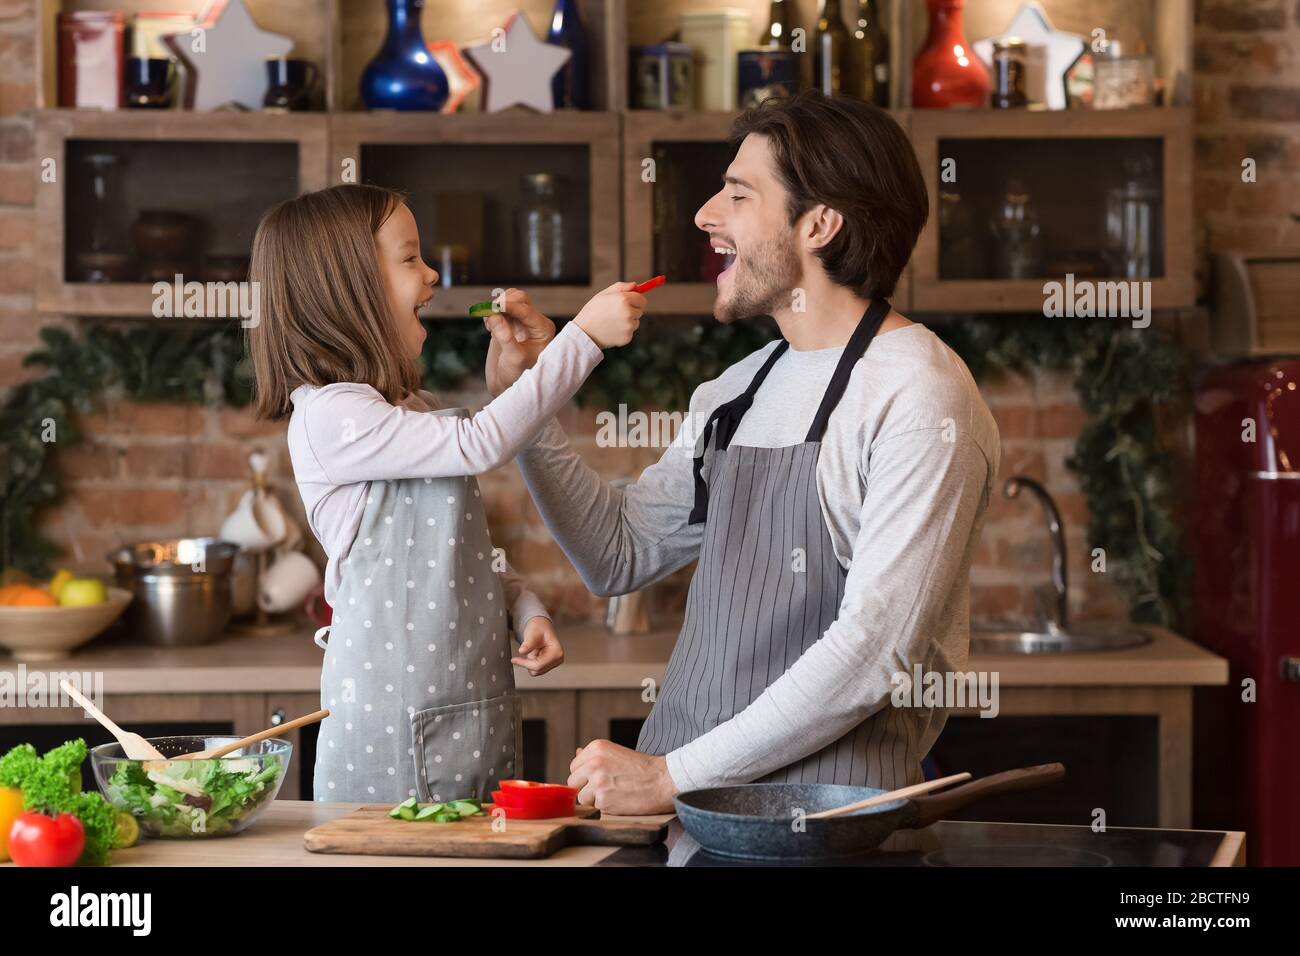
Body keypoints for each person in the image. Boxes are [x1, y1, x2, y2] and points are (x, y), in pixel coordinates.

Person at [483, 92, 1001, 814]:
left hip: (831, 829)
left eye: (737, 193)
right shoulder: (740, 388)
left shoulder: (919, 393)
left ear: (819, 225)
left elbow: (874, 654)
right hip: (696, 822)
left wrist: (666, 777)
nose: (705, 215)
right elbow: (617, 554)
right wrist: (532, 404)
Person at [246, 183, 646, 803]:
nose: (432, 273)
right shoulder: (331, 417)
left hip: (471, 715)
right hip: (385, 738)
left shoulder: (412, 412)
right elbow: (483, 441)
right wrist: (581, 340)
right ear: (345, 289)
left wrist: (524, 607)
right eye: (409, 259)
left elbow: (460, 554)